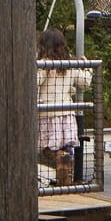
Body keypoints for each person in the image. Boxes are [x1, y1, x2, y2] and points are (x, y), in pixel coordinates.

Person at [36, 28, 91, 186]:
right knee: (68, 149)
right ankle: (65, 183)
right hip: (67, 114)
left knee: (45, 147)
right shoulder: (68, 65)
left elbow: (34, 82)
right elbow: (84, 82)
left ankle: (58, 157)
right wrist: (86, 66)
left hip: (47, 113)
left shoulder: (44, 65)